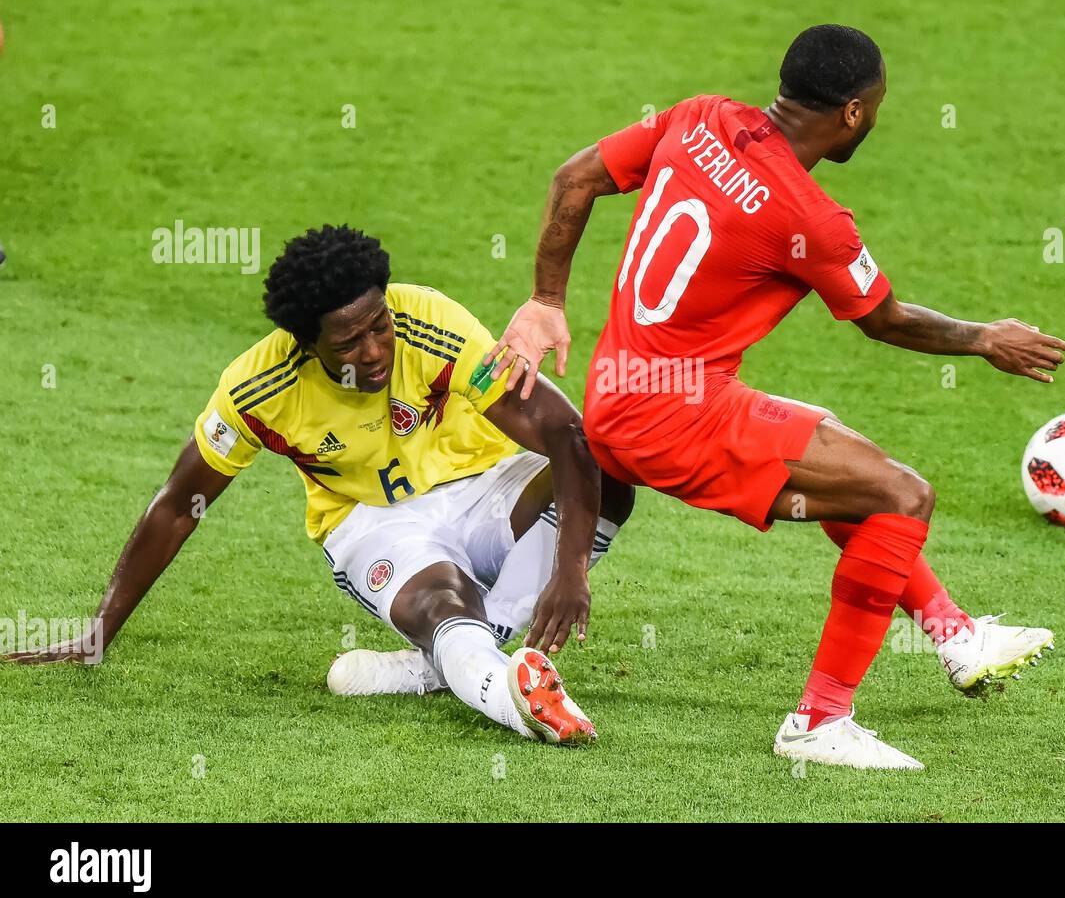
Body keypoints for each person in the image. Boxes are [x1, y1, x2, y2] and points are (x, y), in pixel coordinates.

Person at [486, 25, 1065, 769]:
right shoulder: (810, 217)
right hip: (672, 418)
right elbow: (884, 319)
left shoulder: (698, 116)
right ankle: (821, 720)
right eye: (878, 107)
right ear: (853, 113)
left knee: (852, 470)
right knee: (902, 495)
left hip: (623, 389)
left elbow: (574, 178)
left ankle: (954, 635)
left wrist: (545, 299)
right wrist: (985, 337)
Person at [4, 224, 634, 745]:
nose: (375, 350)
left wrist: (571, 568)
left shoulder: (431, 322)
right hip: (372, 523)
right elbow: (177, 506)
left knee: (611, 474)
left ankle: (452, 662)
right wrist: (98, 631)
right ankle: (517, 702)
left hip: (479, 489)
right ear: (307, 345)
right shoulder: (259, 388)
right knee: (445, 607)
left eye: (378, 324)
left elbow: (564, 434)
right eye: (349, 341)